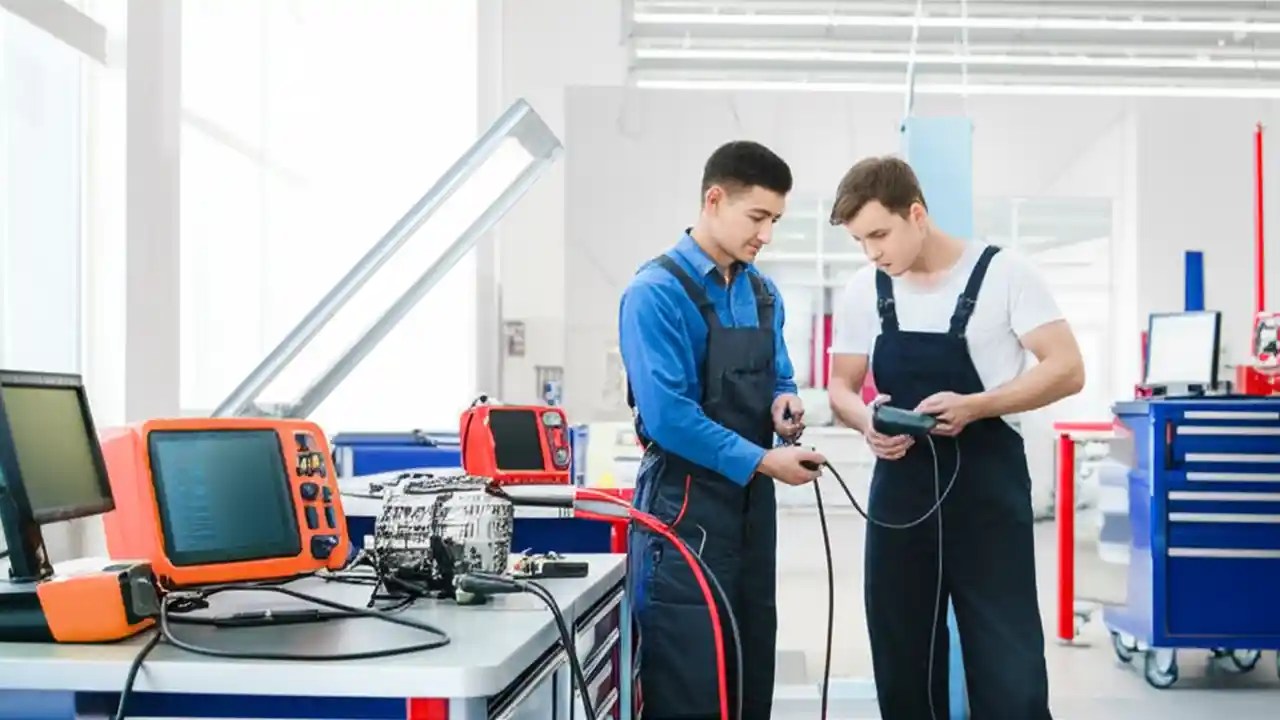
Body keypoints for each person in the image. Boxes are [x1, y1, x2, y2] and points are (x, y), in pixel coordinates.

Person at [826, 156, 1084, 719]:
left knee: (1007, 661)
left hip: (986, 490)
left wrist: (978, 405)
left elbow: (1067, 367)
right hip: (901, 490)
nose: (872, 252)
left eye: (878, 234)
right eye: (859, 240)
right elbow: (840, 388)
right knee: (903, 657)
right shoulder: (862, 289)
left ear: (916, 214)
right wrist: (866, 419)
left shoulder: (1004, 273)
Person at [619, 140, 827, 720]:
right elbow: (670, 418)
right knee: (690, 678)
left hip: (750, 511)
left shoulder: (763, 293)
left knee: (748, 666)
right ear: (714, 200)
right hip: (683, 509)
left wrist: (784, 403)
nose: (767, 234)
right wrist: (763, 461)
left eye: (776, 220)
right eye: (758, 217)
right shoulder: (655, 295)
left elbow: (780, 373)